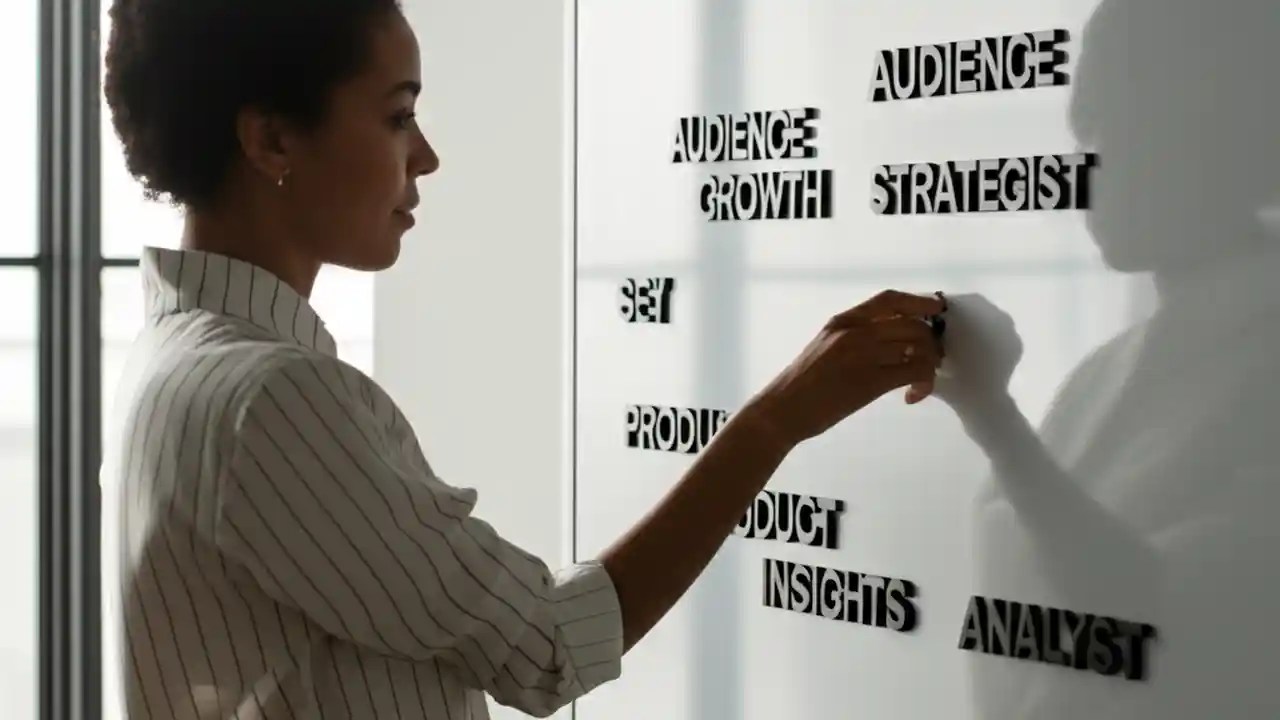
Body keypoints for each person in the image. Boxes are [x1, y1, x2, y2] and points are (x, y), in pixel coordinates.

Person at [98, 1, 946, 718]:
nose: (425, 155)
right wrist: (775, 421)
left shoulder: (171, 363)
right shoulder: (275, 399)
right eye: (398, 115)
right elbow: (547, 644)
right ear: (273, 141)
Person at [934, 0, 1280, 717]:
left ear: (1211, 127)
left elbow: (1158, 623)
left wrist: (991, 415)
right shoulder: (1104, 374)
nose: (1083, 162)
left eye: (1112, 124)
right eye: (1079, 127)